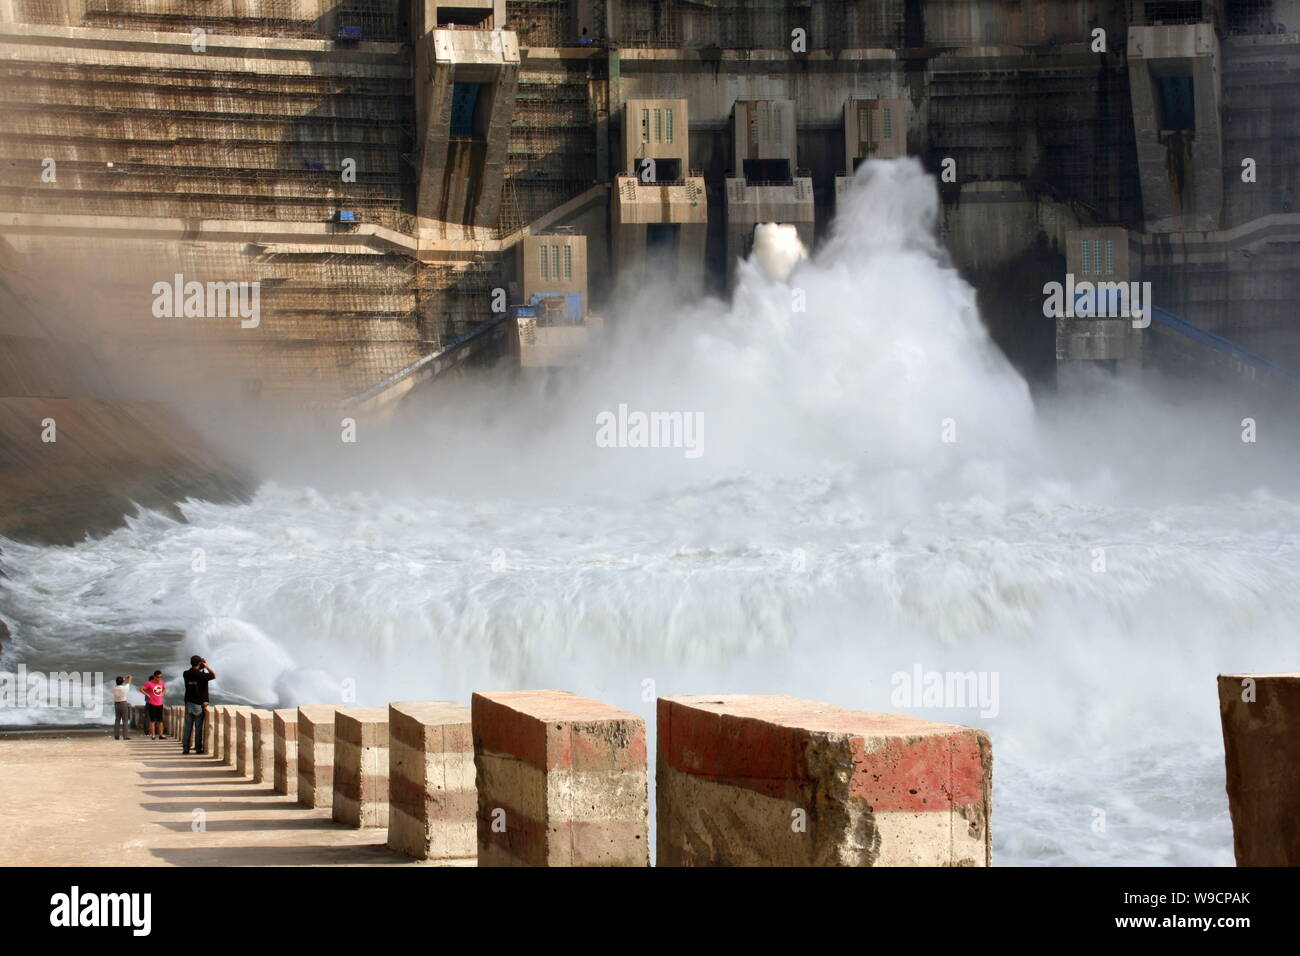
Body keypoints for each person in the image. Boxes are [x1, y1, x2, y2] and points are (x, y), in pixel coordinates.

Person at [181, 656, 216, 755]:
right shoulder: (201, 675)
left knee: (188, 727)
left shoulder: (186, 673)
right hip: (198, 704)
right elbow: (214, 675)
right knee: (198, 727)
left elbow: (194, 674)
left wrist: (201, 667)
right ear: (200, 663)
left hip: (188, 702)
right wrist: (207, 667)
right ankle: (198, 748)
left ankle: (185, 748)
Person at [140, 670, 166, 740]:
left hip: (160, 704)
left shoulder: (161, 682)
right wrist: (147, 694)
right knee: (152, 721)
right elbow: (141, 689)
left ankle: (161, 735)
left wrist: (163, 693)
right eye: (158, 677)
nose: (159, 679)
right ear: (154, 677)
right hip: (152, 704)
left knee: (160, 720)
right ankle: (153, 735)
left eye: (161, 677)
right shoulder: (149, 683)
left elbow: (165, 688)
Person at [112, 675, 132, 739]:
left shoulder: (114, 688)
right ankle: (125, 736)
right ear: (122, 682)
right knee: (125, 720)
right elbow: (129, 683)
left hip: (116, 704)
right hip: (123, 703)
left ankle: (116, 735)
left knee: (117, 720)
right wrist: (129, 678)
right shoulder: (124, 688)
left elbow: (120, 681)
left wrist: (124, 678)